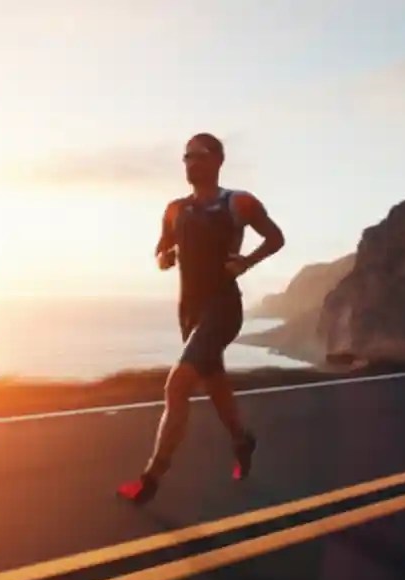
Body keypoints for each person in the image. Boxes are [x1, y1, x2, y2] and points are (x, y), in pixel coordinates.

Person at [118, 132, 285, 504]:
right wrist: (164, 258)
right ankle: (242, 441)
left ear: (217, 161)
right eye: (186, 157)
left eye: (198, 155)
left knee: (177, 386)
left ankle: (151, 478)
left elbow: (276, 238)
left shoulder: (239, 203)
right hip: (189, 311)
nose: (190, 162)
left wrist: (245, 262)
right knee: (216, 385)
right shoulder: (175, 209)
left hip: (223, 308)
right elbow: (162, 248)